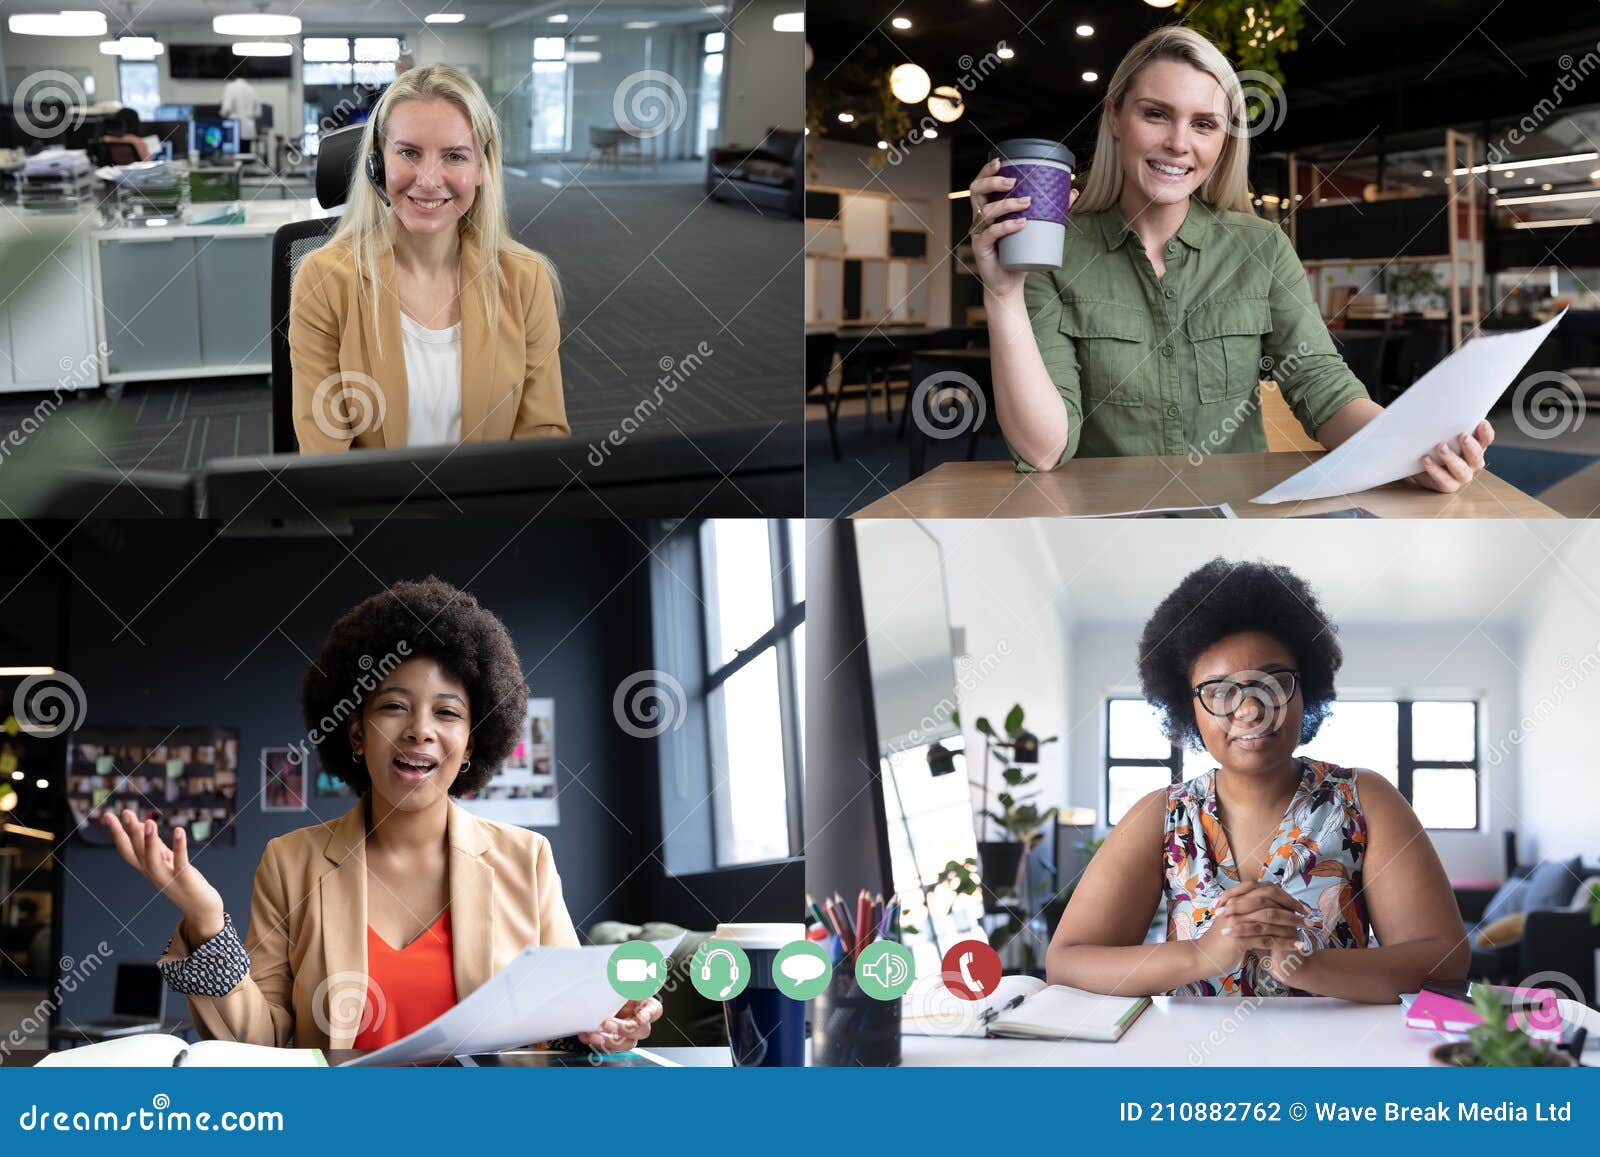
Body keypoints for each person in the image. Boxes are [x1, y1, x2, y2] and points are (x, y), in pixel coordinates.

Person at [105, 577, 656, 1054]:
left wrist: (601, 1025)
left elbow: (560, 1027)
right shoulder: (289, 863)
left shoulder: (526, 859)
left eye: (447, 712)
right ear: (354, 731)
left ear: (470, 746)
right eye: (394, 706)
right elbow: (262, 1046)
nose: (420, 728)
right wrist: (204, 922)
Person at [967, 26, 1493, 493]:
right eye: (1156, 114)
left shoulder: (1260, 247)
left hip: (1235, 525)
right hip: (1106, 530)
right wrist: (1004, 293)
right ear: (1115, 118)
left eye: (1203, 124)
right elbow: (1043, 450)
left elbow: (1322, 388)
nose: (1178, 143)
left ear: (1223, 141)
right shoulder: (1056, 251)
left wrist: (1411, 452)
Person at [1047, 559, 1468, 1001]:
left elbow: (1446, 961)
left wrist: (1305, 966)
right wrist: (1203, 955)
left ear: (1305, 688)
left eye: (1273, 682)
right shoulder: (1164, 815)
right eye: (1219, 691)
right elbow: (1067, 961)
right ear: (1187, 704)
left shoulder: (1364, 800)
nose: (1250, 710)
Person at [288, 64, 567, 452]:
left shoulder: (525, 279)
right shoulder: (323, 280)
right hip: (375, 510)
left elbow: (543, 440)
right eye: (409, 153)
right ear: (377, 165)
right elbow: (326, 458)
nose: (429, 180)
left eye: (454, 156)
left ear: (482, 168)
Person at [220, 75, 261, 155]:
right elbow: (258, 112)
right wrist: (248, 115)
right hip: (248, 129)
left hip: (233, 128)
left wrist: (221, 115)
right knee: (245, 155)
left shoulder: (230, 87)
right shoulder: (251, 89)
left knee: (233, 157)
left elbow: (226, 109)